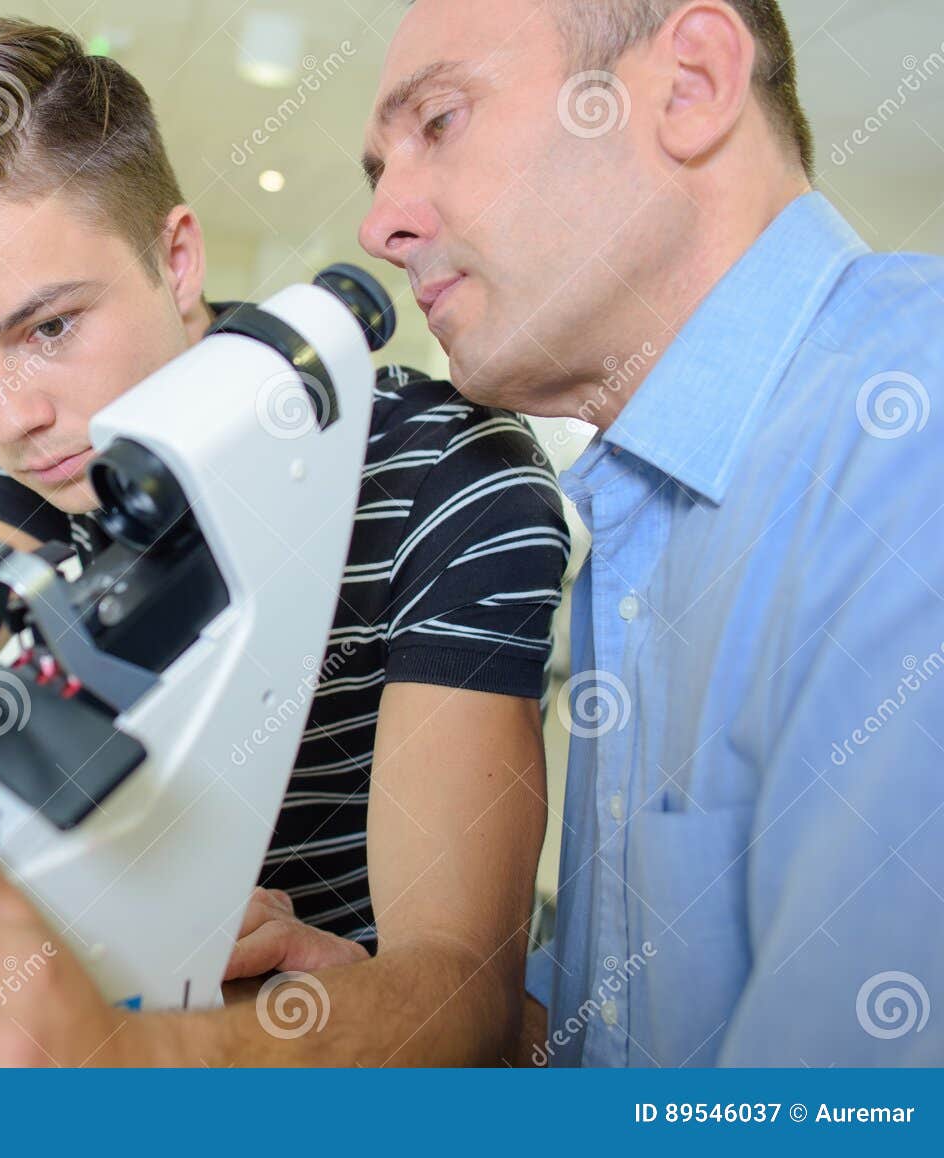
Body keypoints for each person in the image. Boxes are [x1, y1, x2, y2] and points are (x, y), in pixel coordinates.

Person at [0, 17, 570, 1065]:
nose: (6, 419)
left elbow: (464, 1000)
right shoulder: (53, 467)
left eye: (48, 329)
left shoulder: (447, 473)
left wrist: (131, 1044)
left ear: (176, 260)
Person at [358, 0, 944, 1065]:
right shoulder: (641, 519)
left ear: (691, 85)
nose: (381, 224)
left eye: (438, 122)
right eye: (375, 170)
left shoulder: (912, 429)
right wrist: (385, 1023)